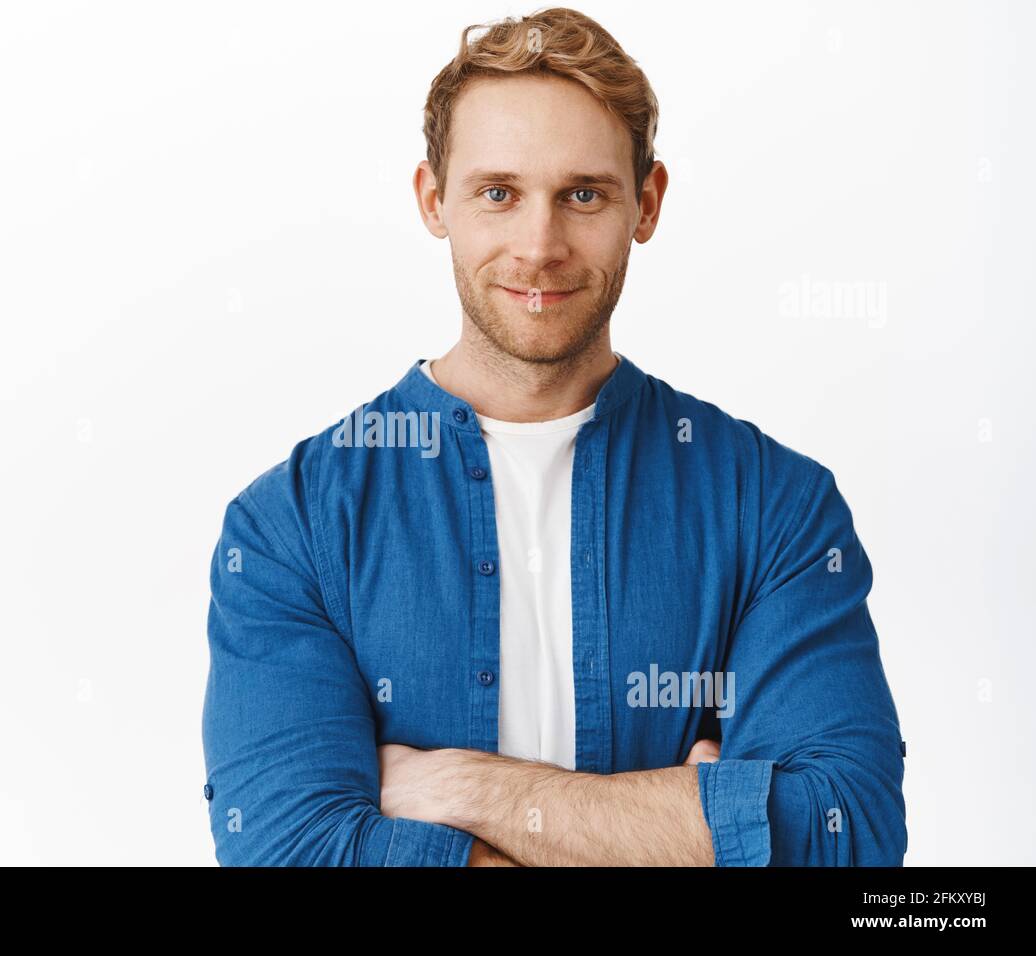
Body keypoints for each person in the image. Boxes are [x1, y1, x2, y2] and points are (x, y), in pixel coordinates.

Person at [201, 6, 907, 866]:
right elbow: (289, 852)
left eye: (583, 195)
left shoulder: (776, 508)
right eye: (498, 194)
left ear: (645, 204)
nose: (540, 246)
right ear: (435, 201)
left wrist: (465, 789)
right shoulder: (290, 528)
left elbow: (848, 833)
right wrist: (686, 827)